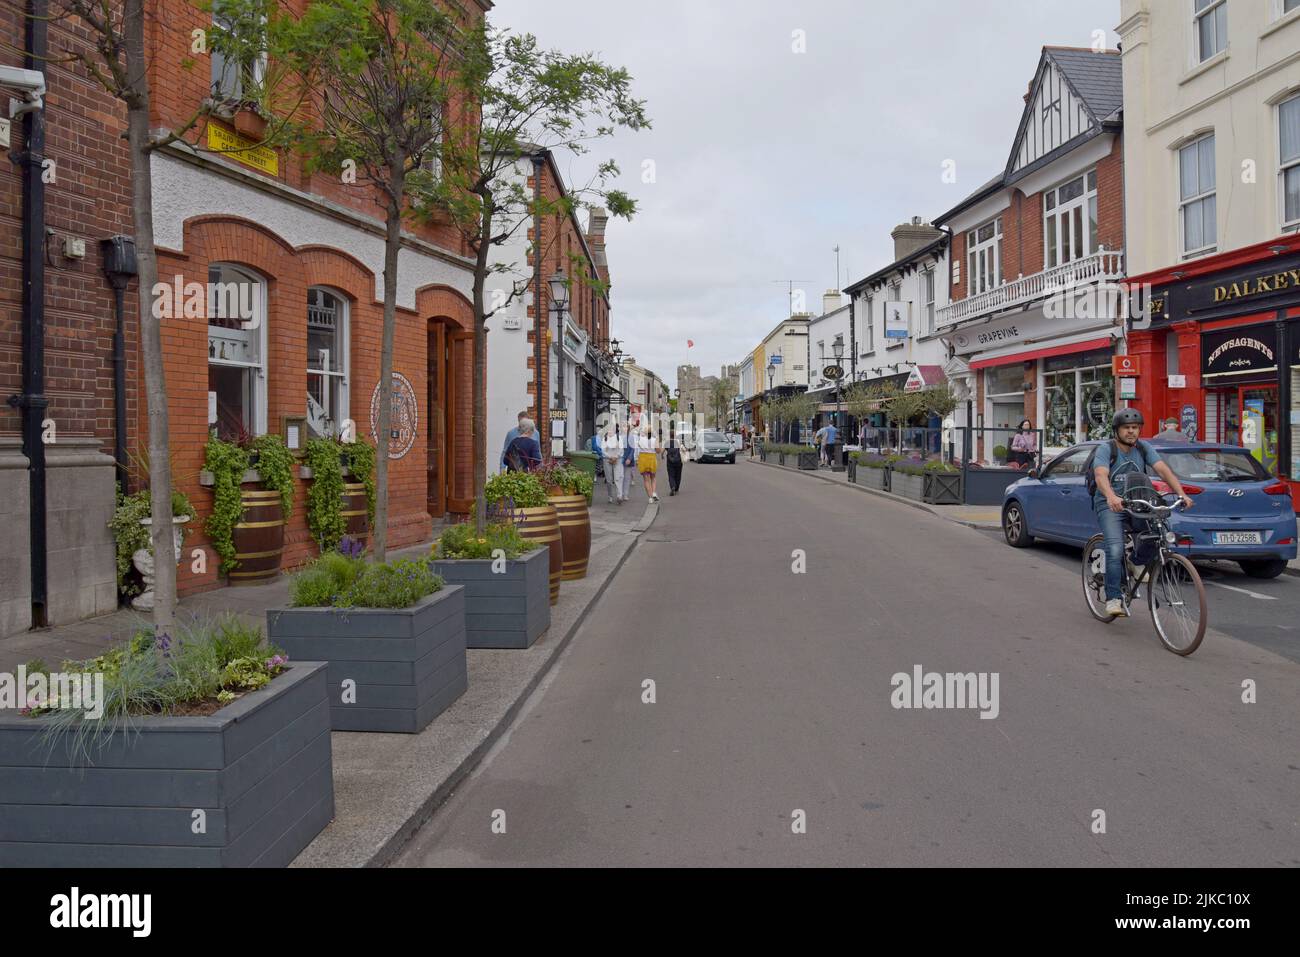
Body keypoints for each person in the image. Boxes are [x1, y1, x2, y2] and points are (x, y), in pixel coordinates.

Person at [1093, 408, 1194, 618]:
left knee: (1157, 533)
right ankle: (1113, 598)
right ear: (1117, 430)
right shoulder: (1106, 449)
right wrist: (1111, 496)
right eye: (1126, 428)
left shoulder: (1143, 447)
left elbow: (1163, 470)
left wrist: (1181, 493)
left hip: (1137, 502)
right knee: (1115, 549)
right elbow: (1100, 475)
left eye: (1135, 427)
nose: (1131, 431)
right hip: (1110, 504)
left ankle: (1136, 561)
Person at [635, 422, 662, 502]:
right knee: (653, 477)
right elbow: (658, 451)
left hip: (643, 458)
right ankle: (653, 493)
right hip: (651, 458)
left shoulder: (640, 439)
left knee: (646, 479)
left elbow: (638, 448)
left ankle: (650, 498)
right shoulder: (654, 440)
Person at [601, 424, 623, 504]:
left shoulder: (619, 438)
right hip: (607, 460)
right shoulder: (604, 439)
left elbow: (621, 449)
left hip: (617, 459)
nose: (610, 431)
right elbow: (603, 450)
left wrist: (616, 456)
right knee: (609, 480)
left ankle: (619, 496)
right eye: (609, 430)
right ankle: (610, 496)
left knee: (617, 478)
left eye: (612, 430)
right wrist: (610, 456)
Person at [620, 423, 637, 503]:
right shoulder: (618, 436)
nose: (624, 428)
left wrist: (629, 458)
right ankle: (620, 494)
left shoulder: (630, 436)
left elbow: (633, 448)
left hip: (628, 459)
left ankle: (625, 494)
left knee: (626, 478)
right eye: (623, 426)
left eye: (626, 427)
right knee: (620, 477)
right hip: (619, 459)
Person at [666, 426, 684, 496]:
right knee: (678, 475)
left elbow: (664, 450)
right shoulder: (678, 441)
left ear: (669, 435)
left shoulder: (667, 442)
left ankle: (672, 486)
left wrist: (662, 455)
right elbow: (683, 449)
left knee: (671, 475)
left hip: (670, 461)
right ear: (675, 435)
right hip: (678, 461)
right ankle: (676, 488)